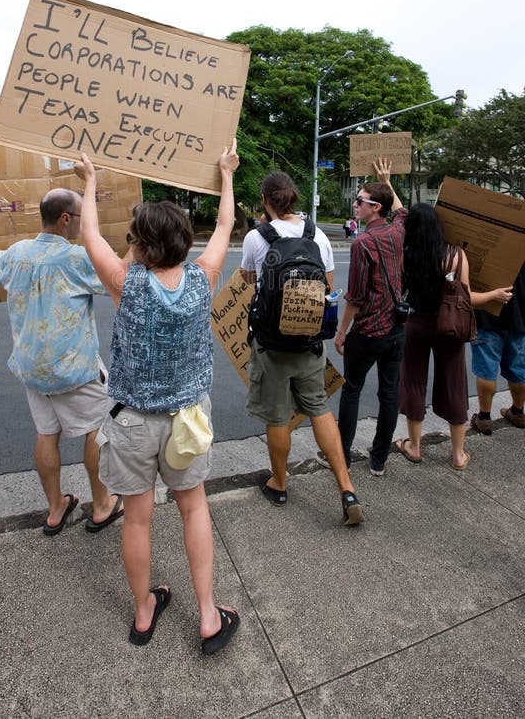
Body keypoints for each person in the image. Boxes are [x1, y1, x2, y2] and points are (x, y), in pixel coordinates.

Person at [74, 142, 241, 656]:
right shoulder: (203, 279)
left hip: (131, 422)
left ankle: (144, 610)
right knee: (194, 508)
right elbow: (225, 225)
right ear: (184, 241)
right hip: (187, 419)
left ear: (142, 245)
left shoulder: (126, 282)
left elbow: (88, 234)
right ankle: (208, 614)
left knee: (138, 518)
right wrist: (226, 173)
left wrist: (89, 181)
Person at [0, 189, 122, 536]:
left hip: (32, 368)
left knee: (46, 435)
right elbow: (119, 277)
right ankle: (102, 505)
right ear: (66, 218)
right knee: (98, 430)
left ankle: (56, 509)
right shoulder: (77, 258)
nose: (85, 223)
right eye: (82, 216)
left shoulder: (18, 253)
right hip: (74, 367)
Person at [240, 170, 364, 526]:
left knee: (278, 416)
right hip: (310, 343)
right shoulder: (318, 235)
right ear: (294, 198)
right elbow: (327, 287)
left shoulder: (256, 238)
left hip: (272, 346)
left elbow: (249, 281)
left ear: (265, 200)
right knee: (319, 409)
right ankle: (347, 489)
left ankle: (279, 484)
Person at [395, 203, 513, 469]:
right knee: (454, 384)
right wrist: (494, 295)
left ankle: (414, 446)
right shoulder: (455, 255)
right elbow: (467, 298)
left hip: (416, 324)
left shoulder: (406, 256)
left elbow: (401, 291)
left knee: (413, 382)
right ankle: (458, 454)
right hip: (449, 326)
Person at [335, 159, 407, 476]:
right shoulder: (398, 232)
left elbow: (356, 296)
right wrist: (386, 181)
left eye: (360, 200)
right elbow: (403, 212)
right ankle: (379, 460)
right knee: (389, 394)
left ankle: (342, 457)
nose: (355, 204)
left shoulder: (363, 243)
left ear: (375, 207)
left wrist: (341, 332)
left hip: (368, 330)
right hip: (396, 329)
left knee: (352, 389)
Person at [471, 261, 524, 435]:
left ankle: (484, 417)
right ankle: (518, 412)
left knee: (487, 368)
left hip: (487, 312)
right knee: (519, 367)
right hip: (519, 313)